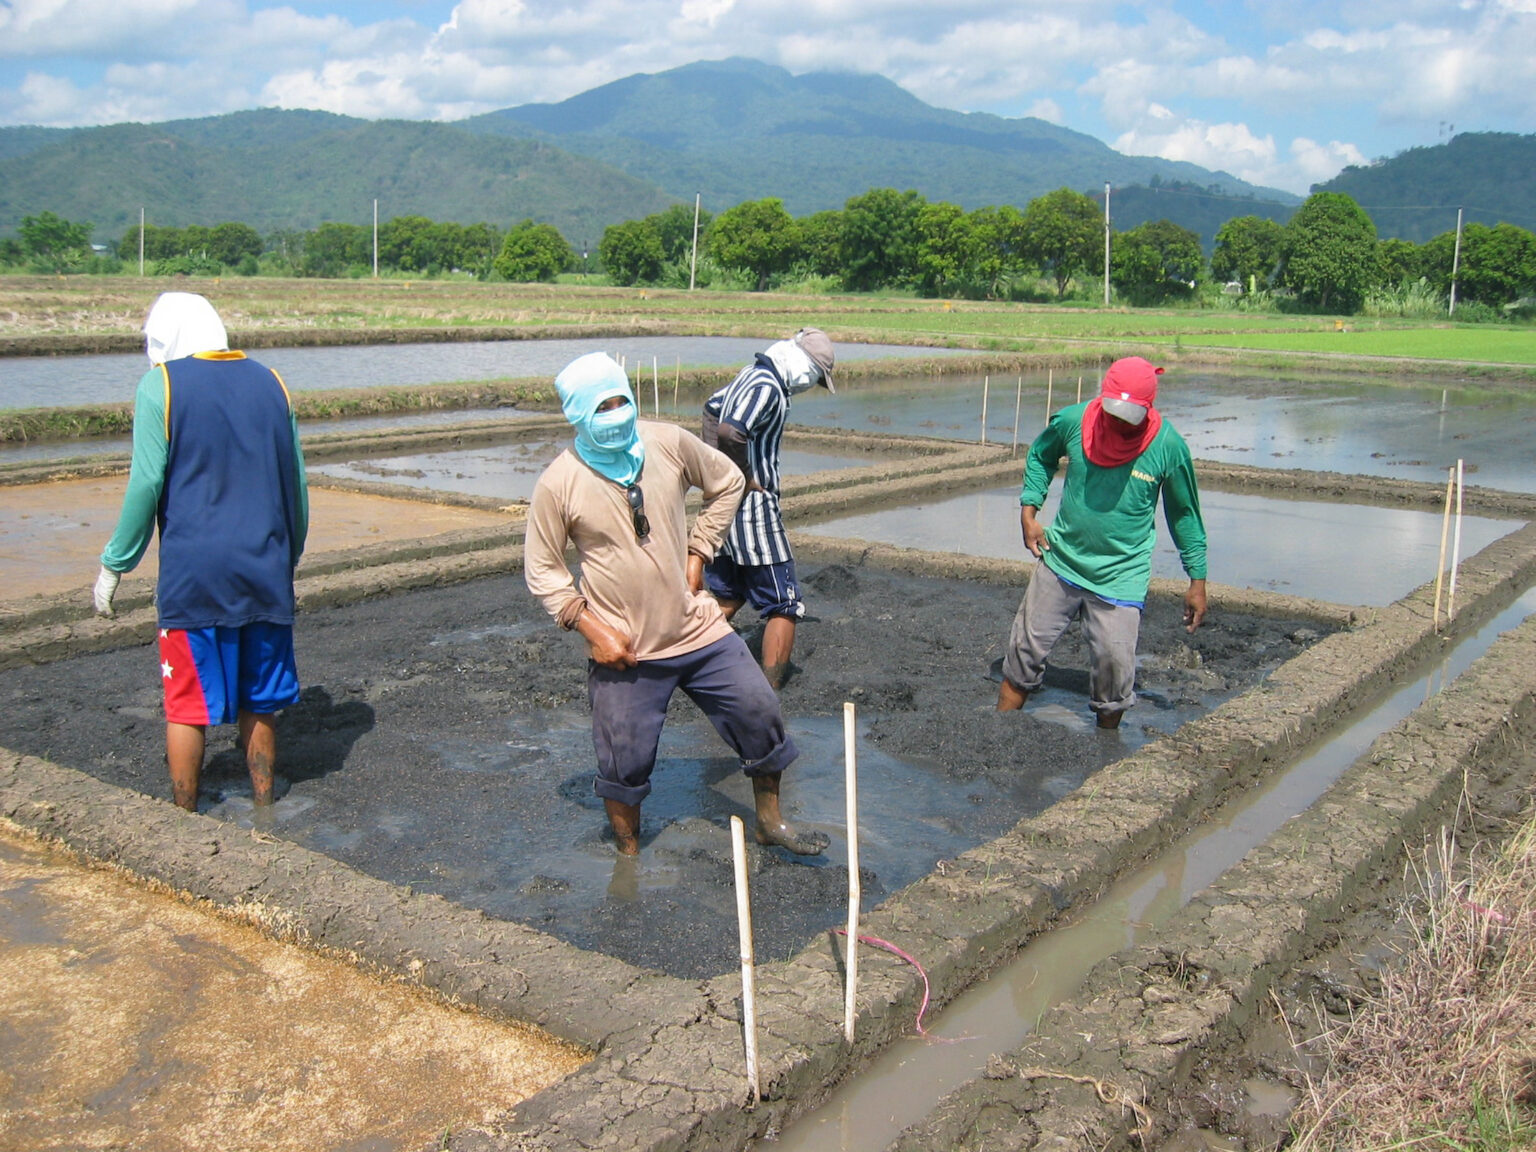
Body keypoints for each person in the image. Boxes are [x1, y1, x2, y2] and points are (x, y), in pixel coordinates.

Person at [525, 351, 825, 857]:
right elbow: (544, 570)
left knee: (759, 712)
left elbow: (728, 480)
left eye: (622, 401)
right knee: (624, 759)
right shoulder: (559, 482)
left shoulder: (664, 441)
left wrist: (699, 550)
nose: (617, 414)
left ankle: (770, 822)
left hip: (698, 628)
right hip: (628, 646)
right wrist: (593, 630)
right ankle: (628, 852)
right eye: (602, 408)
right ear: (577, 415)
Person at [93, 292, 309, 811]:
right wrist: (289, 554)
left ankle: (184, 817)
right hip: (264, 563)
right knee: (260, 698)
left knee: (187, 704)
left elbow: (145, 483)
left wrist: (115, 563)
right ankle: (263, 802)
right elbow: (294, 484)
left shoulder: (161, 385)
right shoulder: (271, 382)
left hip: (195, 573)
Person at [996, 356, 1207, 729]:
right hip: (1061, 560)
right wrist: (1029, 511)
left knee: (1114, 672)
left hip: (1120, 576)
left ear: (1148, 407)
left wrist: (1197, 580)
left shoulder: (1168, 447)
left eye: (1130, 415)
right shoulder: (1074, 422)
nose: (1120, 421)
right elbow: (1042, 455)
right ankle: (996, 731)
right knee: (1023, 655)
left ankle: (1105, 754)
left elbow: (1184, 514)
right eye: (1113, 412)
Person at [700, 328, 836, 689]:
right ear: (804, 365)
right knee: (784, 602)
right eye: (816, 376)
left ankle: (684, 656)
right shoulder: (768, 387)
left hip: (726, 507)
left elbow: (712, 411)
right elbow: (731, 431)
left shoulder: (750, 374)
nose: (811, 384)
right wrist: (743, 475)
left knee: (730, 593)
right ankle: (771, 687)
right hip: (753, 512)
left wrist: (716, 473)